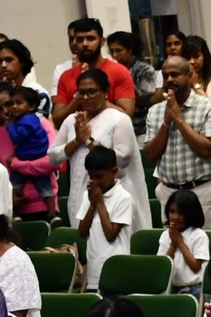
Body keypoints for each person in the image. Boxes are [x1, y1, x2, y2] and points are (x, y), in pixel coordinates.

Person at [58, 67, 152, 233]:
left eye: (92, 92)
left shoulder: (119, 119)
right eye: (81, 93)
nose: (86, 97)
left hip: (115, 194)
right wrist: (77, 140)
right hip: (80, 192)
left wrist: (88, 141)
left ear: (106, 92)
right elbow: (52, 156)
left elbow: (123, 158)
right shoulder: (72, 120)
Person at [144, 52, 211, 229]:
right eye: (165, 76)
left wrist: (179, 120)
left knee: (209, 248)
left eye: (175, 74)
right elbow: (151, 155)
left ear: (189, 76)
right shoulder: (155, 111)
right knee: (174, 250)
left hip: (201, 192)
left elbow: (207, 150)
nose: (169, 79)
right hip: (169, 193)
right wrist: (167, 121)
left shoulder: (208, 106)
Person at [0, 84, 61, 221]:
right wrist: (8, 197)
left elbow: (53, 161)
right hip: (13, 210)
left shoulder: (42, 124)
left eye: (8, 104)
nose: (6, 111)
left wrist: (17, 165)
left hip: (44, 207)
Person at [75, 147, 138, 292]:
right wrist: (92, 205)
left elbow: (110, 234)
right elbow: (82, 232)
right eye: (91, 177)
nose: (95, 181)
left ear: (114, 172)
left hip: (116, 271)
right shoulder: (89, 196)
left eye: (99, 176)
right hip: (94, 272)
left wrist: (100, 203)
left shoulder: (123, 197)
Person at [51, 18, 136, 125]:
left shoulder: (119, 71)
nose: (85, 44)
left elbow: (126, 116)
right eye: (80, 39)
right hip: (76, 138)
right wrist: (79, 97)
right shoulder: (66, 76)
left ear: (102, 42)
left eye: (90, 39)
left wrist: (98, 98)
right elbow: (58, 122)